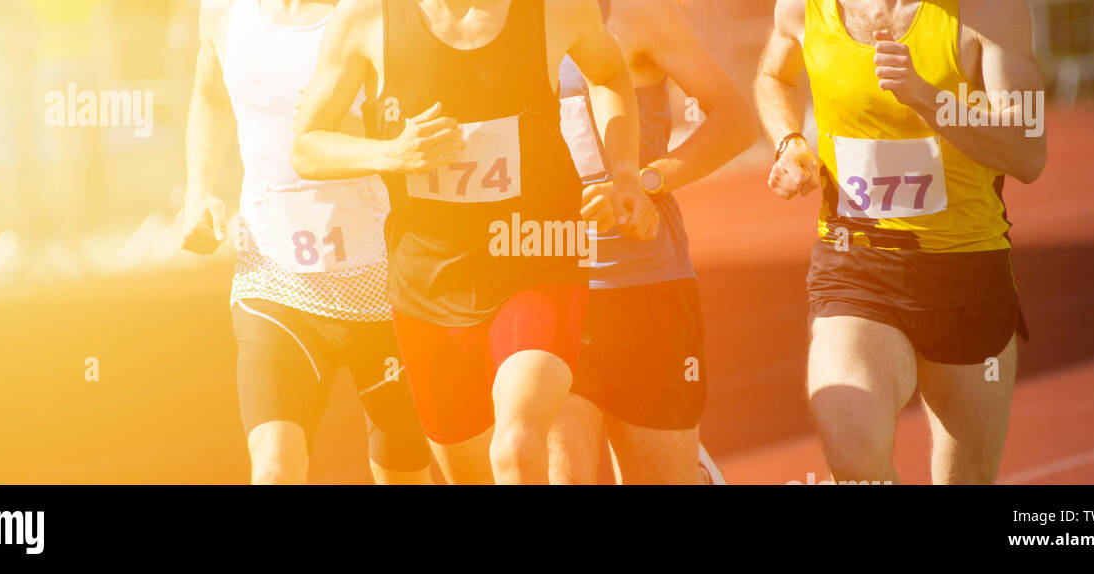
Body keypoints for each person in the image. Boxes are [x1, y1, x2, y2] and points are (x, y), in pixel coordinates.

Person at [292, 0, 657, 484]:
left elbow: (609, 73)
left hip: (536, 257)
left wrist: (626, 172)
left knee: (515, 448)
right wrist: (393, 152)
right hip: (427, 286)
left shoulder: (555, 11)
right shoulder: (367, 18)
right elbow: (306, 145)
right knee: (473, 475)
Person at [755, 0, 1047, 484]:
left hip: (967, 273)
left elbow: (1028, 150)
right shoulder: (803, 9)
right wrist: (791, 141)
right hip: (856, 266)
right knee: (854, 457)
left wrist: (928, 99)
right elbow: (774, 76)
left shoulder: (989, 14)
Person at [181, 0, 433, 485]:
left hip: (386, 283)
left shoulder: (377, 14)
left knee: (403, 473)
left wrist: (382, 142)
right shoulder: (222, 12)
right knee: (274, 468)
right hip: (275, 280)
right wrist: (198, 193)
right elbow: (210, 94)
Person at [548, 0, 760, 485]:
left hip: (645, 286)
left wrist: (647, 183)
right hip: (551, 286)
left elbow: (736, 119)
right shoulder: (510, 21)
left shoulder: (641, 13)